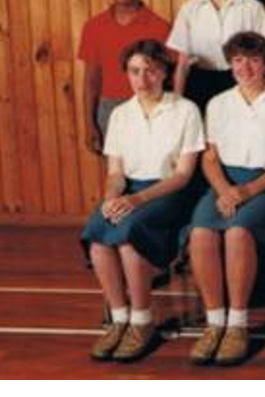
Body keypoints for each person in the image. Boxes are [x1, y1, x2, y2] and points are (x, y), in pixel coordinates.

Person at [80, 40, 204, 362]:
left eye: (150, 70)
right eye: (135, 71)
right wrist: (111, 198)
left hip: (168, 192)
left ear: (164, 72)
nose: (142, 78)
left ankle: (143, 321)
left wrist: (137, 200)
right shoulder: (121, 115)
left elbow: (183, 175)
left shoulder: (185, 110)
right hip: (129, 191)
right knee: (98, 234)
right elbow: (116, 172)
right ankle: (119, 320)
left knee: (128, 238)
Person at [184, 32, 265, 366]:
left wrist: (247, 191)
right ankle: (214, 321)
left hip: (264, 185)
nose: (245, 67)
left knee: (237, 232)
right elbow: (209, 158)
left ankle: (237, 324)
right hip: (223, 183)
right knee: (202, 232)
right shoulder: (218, 104)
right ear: (229, 64)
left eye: (253, 60)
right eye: (237, 60)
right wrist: (224, 190)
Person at [78, 0, 172, 153]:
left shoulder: (161, 28)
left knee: (152, 173)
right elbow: (91, 79)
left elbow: (169, 80)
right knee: (115, 175)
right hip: (109, 109)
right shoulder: (94, 27)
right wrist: (89, 123)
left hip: (150, 107)